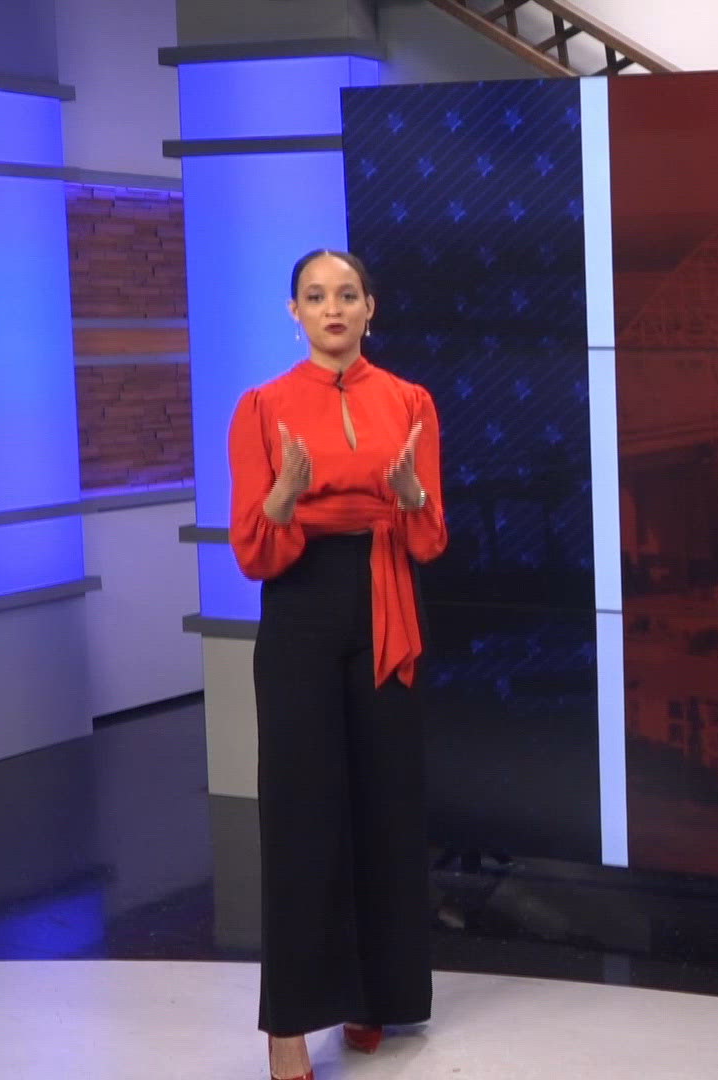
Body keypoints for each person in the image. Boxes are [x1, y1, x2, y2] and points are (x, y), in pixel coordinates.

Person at [227, 249, 447, 1080]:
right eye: (315, 296)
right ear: (294, 312)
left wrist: (413, 495)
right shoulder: (262, 408)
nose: (332, 308)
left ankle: (371, 993)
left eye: (346, 295)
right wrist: (286, 493)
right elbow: (254, 548)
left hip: (384, 595)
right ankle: (288, 1027)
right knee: (301, 813)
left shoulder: (410, 402)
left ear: (369, 308)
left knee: (383, 805)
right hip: (302, 607)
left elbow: (430, 535)